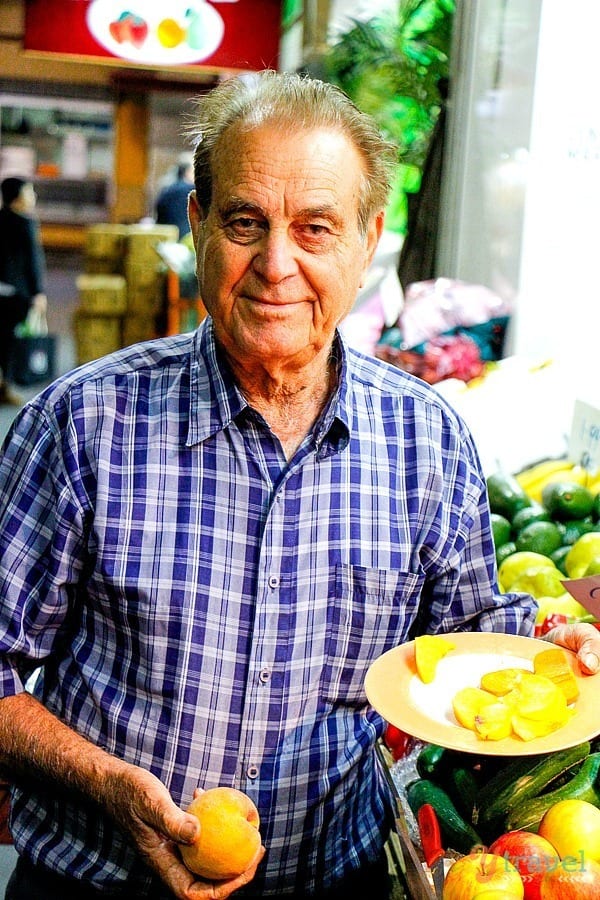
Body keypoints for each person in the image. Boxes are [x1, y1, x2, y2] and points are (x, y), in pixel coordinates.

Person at [0, 70, 598, 900]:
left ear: (368, 238)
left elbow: (462, 643)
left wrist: (550, 658)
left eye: (316, 228)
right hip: (94, 881)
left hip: (332, 881)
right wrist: (106, 784)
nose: (276, 265)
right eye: (246, 221)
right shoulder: (82, 425)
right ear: (199, 223)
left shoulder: (428, 442)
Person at [0, 176, 48, 404]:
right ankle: (6, 384)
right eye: (29, 192)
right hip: (18, 293)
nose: (33, 197)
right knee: (11, 340)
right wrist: (39, 292)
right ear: (18, 198)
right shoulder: (26, 222)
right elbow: (33, 262)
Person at [155, 155, 195, 239]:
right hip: (187, 238)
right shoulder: (192, 190)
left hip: (167, 237)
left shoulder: (166, 190)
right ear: (187, 172)